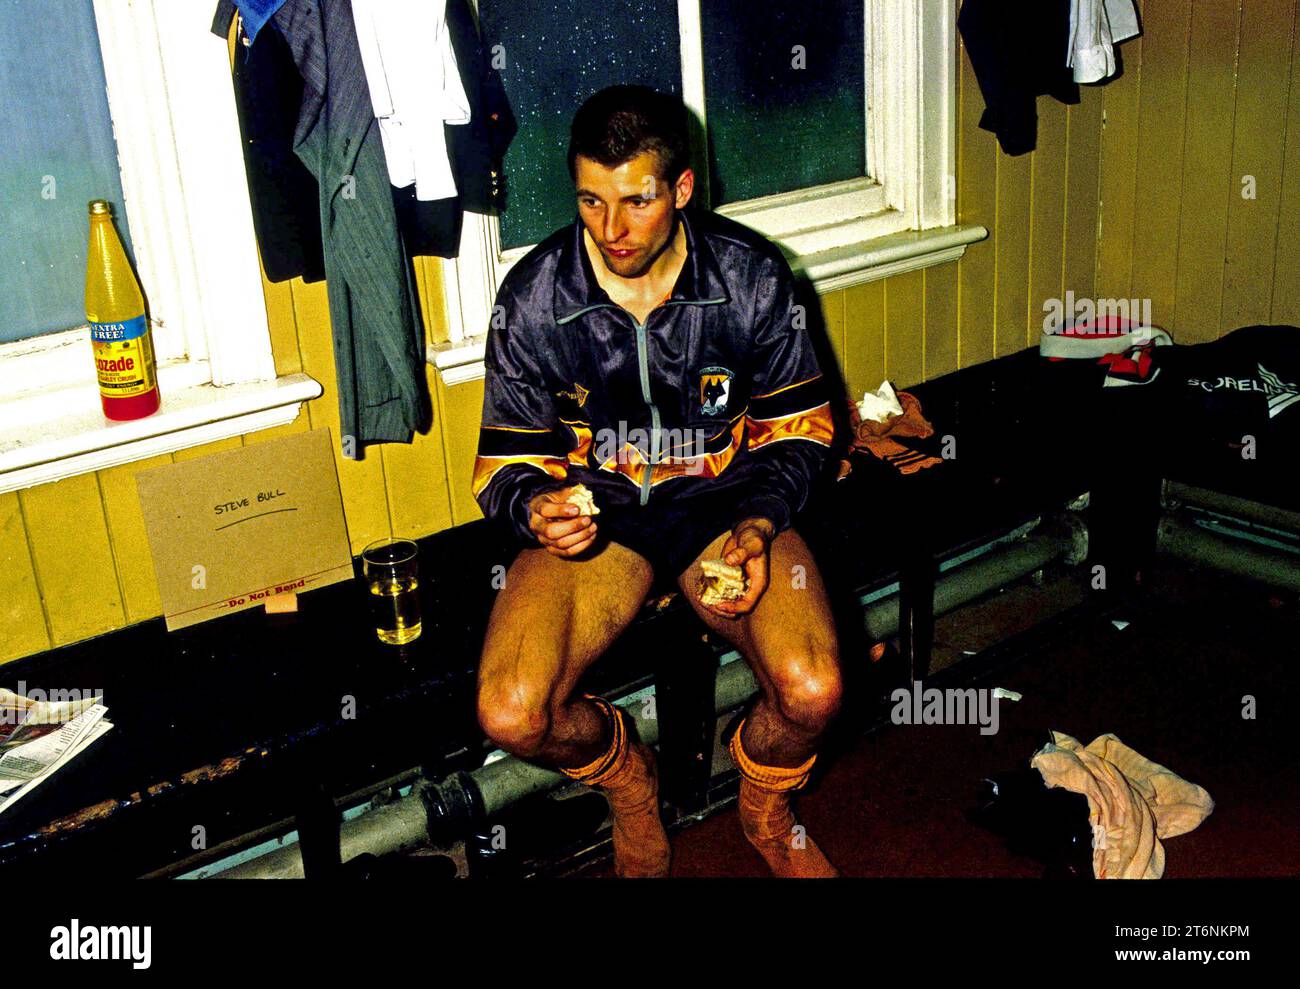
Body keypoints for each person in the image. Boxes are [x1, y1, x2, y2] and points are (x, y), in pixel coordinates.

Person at [472, 85, 843, 877]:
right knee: (512, 711)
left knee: (811, 691)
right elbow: (504, 462)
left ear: (679, 189)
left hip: (725, 508)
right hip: (599, 520)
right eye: (590, 202)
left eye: (636, 200)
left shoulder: (751, 279)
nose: (611, 230)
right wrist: (535, 506)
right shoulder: (534, 299)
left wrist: (759, 522)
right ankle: (628, 782)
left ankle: (766, 800)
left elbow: (804, 432)